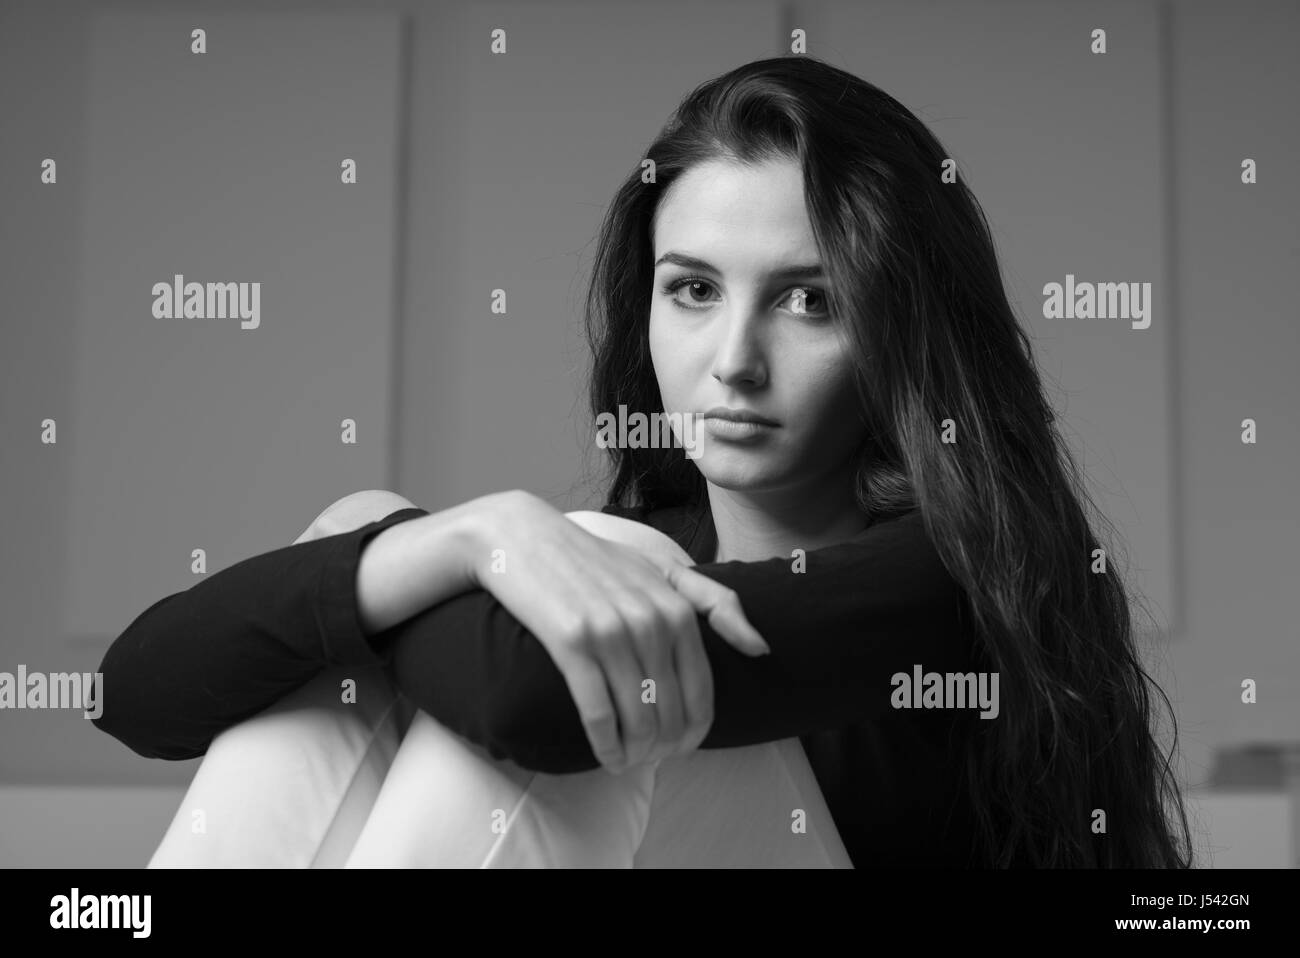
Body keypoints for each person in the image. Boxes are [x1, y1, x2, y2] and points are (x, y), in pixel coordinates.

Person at [93, 54, 1194, 868]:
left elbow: (530, 696)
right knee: (388, 571)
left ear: (901, 335)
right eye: (693, 289)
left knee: (574, 583)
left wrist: (408, 560)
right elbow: (135, 690)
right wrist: (460, 538)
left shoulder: (945, 578)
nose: (733, 363)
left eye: (810, 302)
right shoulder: (634, 558)